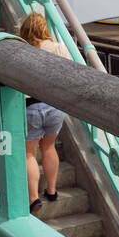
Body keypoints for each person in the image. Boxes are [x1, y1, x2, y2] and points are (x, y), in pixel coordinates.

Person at [18, 13, 72, 213]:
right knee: (49, 147)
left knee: (29, 153)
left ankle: (33, 198)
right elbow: (70, 74)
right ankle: (51, 190)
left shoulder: (21, 50)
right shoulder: (58, 47)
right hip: (55, 106)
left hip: (31, 105)